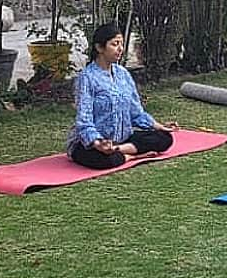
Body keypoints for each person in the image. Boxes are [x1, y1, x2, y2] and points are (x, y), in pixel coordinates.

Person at [66, 22, 178, 169]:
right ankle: (130, 155)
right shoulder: (87, 78)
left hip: (122, 140)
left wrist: (160, 126)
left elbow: (136, 113)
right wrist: (98, 143)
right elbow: (84, 121)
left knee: (165, 139)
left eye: (121, 44)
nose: (120, 49)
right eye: (115, 44)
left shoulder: (123, 74)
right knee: (106, 160)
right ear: (100, 48)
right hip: (95, 143)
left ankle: (120, 151)